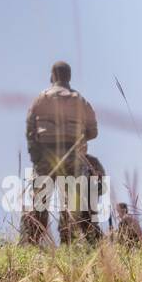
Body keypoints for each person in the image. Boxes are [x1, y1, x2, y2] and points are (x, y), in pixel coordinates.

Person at [22, 60, 97, 245]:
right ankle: (72, 242)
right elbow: (93, 131)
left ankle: (31, 242)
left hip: (45, 156)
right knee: (73, 201)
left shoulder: (41, 98)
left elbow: (29, 128)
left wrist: (35, 155)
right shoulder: (79, 100)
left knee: (40, 201)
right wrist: (81, 139)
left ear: (52, 76)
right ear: (69, 77)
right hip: (71, 154)